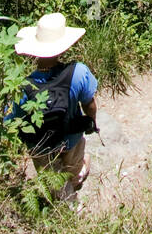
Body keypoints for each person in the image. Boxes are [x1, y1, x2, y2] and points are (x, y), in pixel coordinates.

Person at [9, 12, 98, 198]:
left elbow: (12, 119)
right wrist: (91, 123)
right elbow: (89, 104)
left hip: (41, 146)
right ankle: (77, 178)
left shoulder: (22, 86)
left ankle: (64, 198)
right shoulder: (79, 72)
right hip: (71, 138)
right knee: (73, 169)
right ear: (63, 47)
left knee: (54, 184)